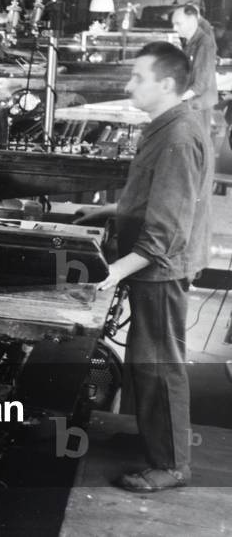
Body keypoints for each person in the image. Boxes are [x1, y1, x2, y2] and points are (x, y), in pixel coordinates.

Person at [76, 41, 213, 492]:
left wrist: (114, 271)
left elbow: (167, 229)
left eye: (139, 77)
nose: (129, 83)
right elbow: (153, 196)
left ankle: (172, 465)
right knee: (144, 360)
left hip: (159, 270)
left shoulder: (178, 135)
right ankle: (156, 442)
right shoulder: (166, 125)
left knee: (159, 365)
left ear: (167, 84)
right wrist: (111, 213)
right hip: (153, 267)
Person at [171, 4, 218, 129]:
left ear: (192, 21)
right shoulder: (190, 42)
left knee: (198, 143)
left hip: (199, 105)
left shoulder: (204, 43)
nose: (175, 28)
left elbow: (200, 85)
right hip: (193, 102)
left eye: (178, 24)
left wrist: (176, 99)